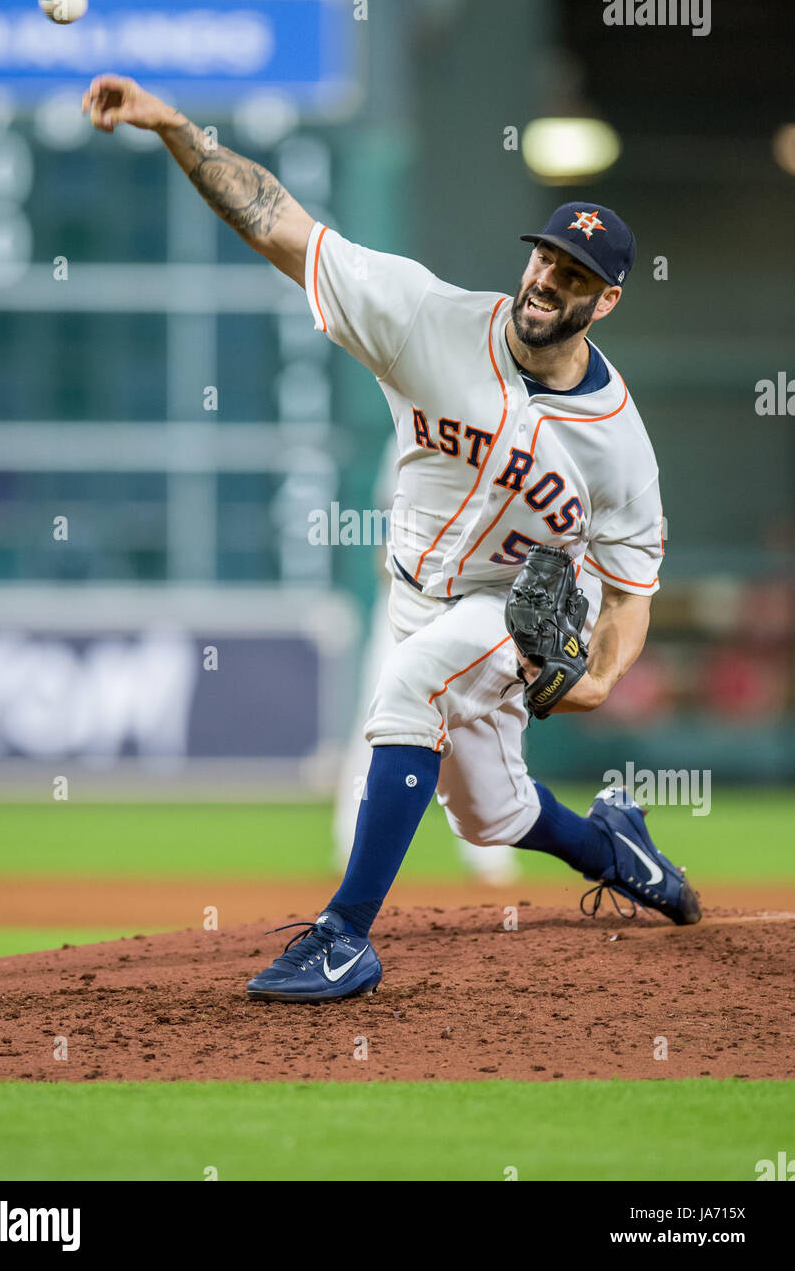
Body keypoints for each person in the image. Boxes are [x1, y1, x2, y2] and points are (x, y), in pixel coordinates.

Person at [81, 74, 701, 1004]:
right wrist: (173, 125)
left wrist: (601, 679)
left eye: (574, 277)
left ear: (605, 300)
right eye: (544, 261)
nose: (547, 282)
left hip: (514, 610)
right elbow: (279, 224)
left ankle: (343, 937)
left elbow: (628, 592)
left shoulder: (619, 447)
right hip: (415, 593)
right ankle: (618, 847)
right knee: (493, 815)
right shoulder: (426, 317)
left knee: (410, 688)